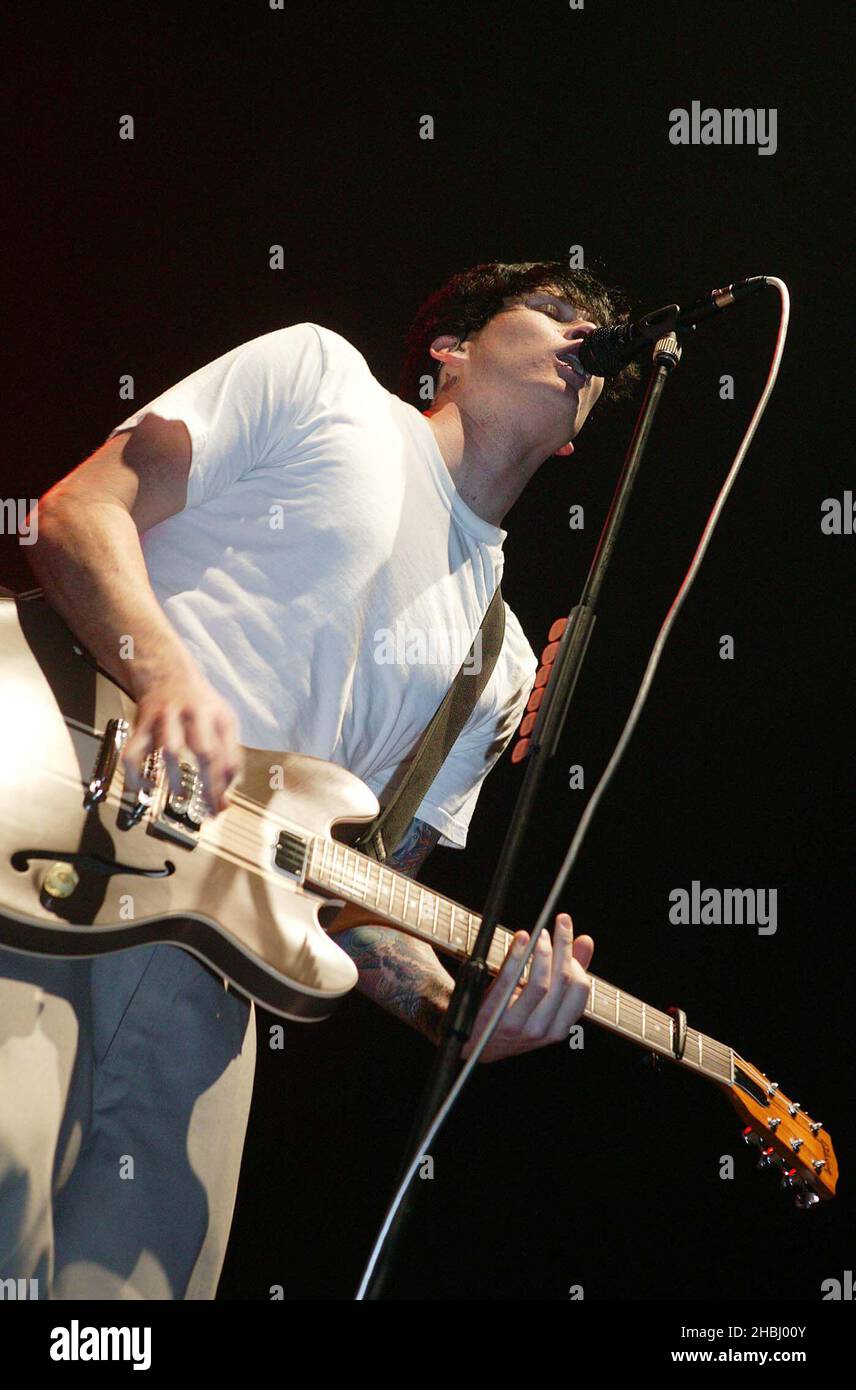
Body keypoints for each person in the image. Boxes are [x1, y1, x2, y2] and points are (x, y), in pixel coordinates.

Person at [0, 259, 635, 1300]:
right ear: (451, 349)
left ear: (574, 439)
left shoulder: (502, 659)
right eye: (557, 313)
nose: (583, 339)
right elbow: (75, 513)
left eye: (597, 340)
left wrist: (458, 1012)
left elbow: (347, 896)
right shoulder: (320, 377)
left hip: (208, 981)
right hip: (53, 842)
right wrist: (163, 670)